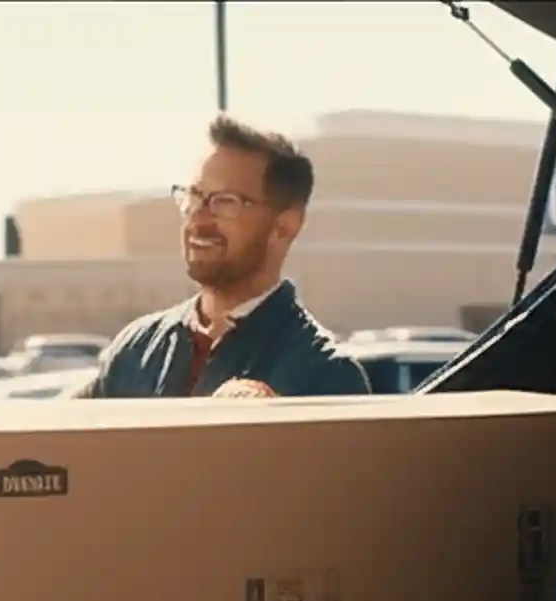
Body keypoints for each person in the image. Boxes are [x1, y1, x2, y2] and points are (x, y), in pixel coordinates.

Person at [70, 115, 370, 399]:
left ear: (284, 226)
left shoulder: (326, 375)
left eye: (225, 202)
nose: (198, 219)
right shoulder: (136, 350)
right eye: (194, 197)